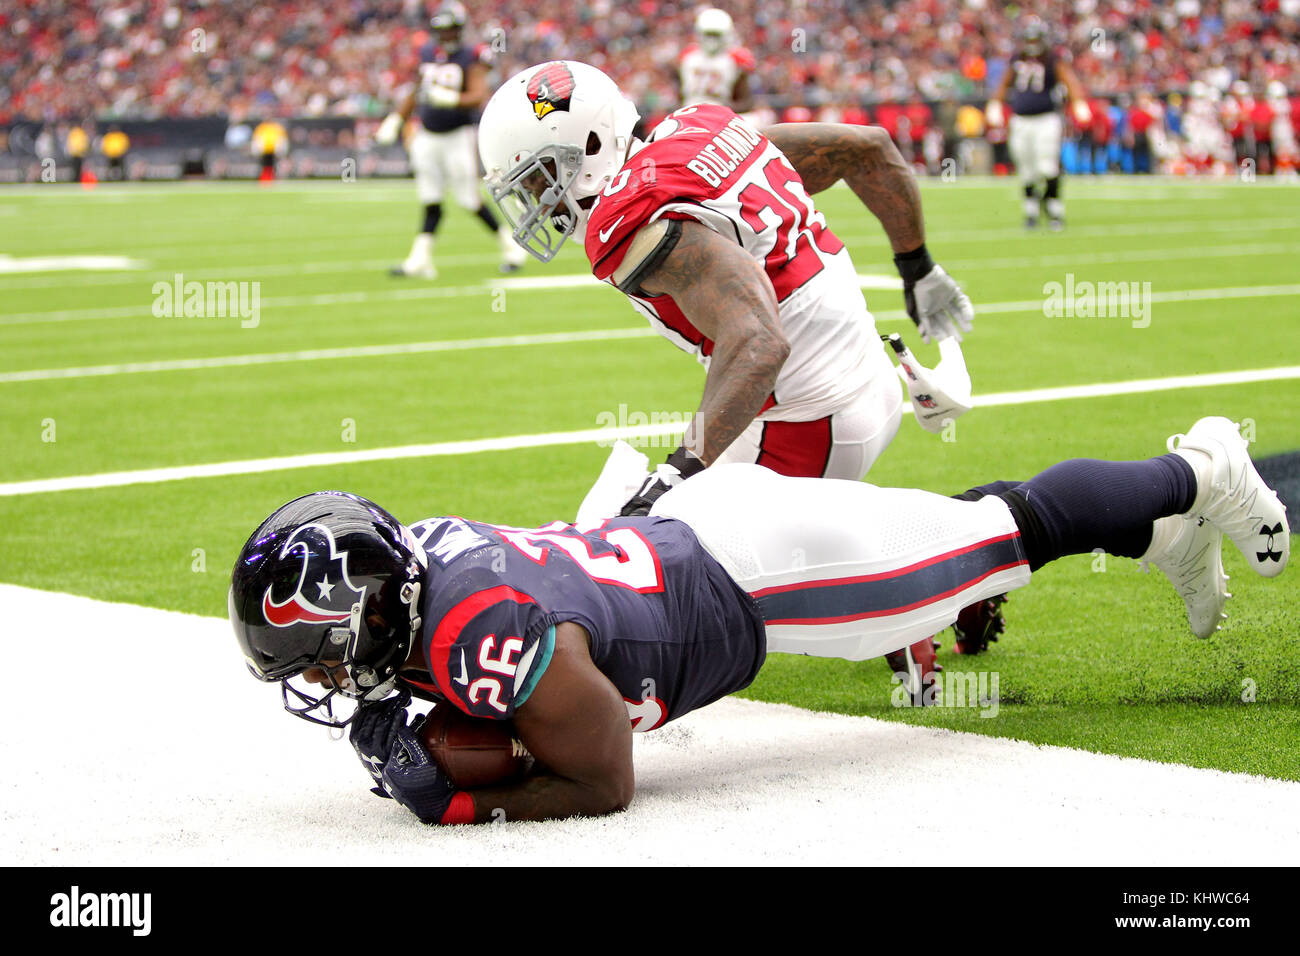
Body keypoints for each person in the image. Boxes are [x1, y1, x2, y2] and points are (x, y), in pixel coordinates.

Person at [229, 416, 1289, 825]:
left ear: (375, 611)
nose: (324, 680)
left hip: (753, 577)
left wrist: (467, 799)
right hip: (698, 540)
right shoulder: (417, 554)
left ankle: (1196, 466)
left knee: (1000, 535)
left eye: (323, 656)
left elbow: (603, 774)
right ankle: (1159, 533)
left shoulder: (472, 633)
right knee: (955, 535)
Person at [476, 59, 979, 690]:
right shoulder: (700, 127)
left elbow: (760, 342)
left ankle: (922, 589)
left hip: (807, 419)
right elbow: (866, 149)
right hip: (863, 385)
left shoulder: (628, 218)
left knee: (651, 565)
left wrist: (682, 467)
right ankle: (935, 566)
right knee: (608, 524)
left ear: (591, 145)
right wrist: (918, 266)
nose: (538, 197)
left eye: (544, 173)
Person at [376, 3, 526, 278]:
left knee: (468, 199)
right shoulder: (428, 53)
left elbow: (478, 95)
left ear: (459, 29)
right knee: (430, 198)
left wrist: (451, 99)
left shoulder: (472, 55)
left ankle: (512, 247)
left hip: (457, 135)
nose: (445, 36)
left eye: (450, 30)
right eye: (441, 30)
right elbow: (417, 89)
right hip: (427, 135)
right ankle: (419, 260)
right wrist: (396, 119)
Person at [985, 20, 1091, 230]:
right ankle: (1031, 210)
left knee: (1047, 165)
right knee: (1026, 168)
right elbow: (1004, 83)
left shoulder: (1053, 59)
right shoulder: (1017, 59)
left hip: (1046, 119)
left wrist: (1078, 102)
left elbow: (1068, 80)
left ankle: (1054, 209)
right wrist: (995, 103)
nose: (1032, 43)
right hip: (1021, 120)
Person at [677, 7, 755, 115]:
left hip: (718, 113)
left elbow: (745, 99)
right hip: (690, 111)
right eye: (708, 35)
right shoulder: (689, 57)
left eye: (715, 35)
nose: (711, 40)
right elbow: (679, 94)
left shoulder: (734, 59)